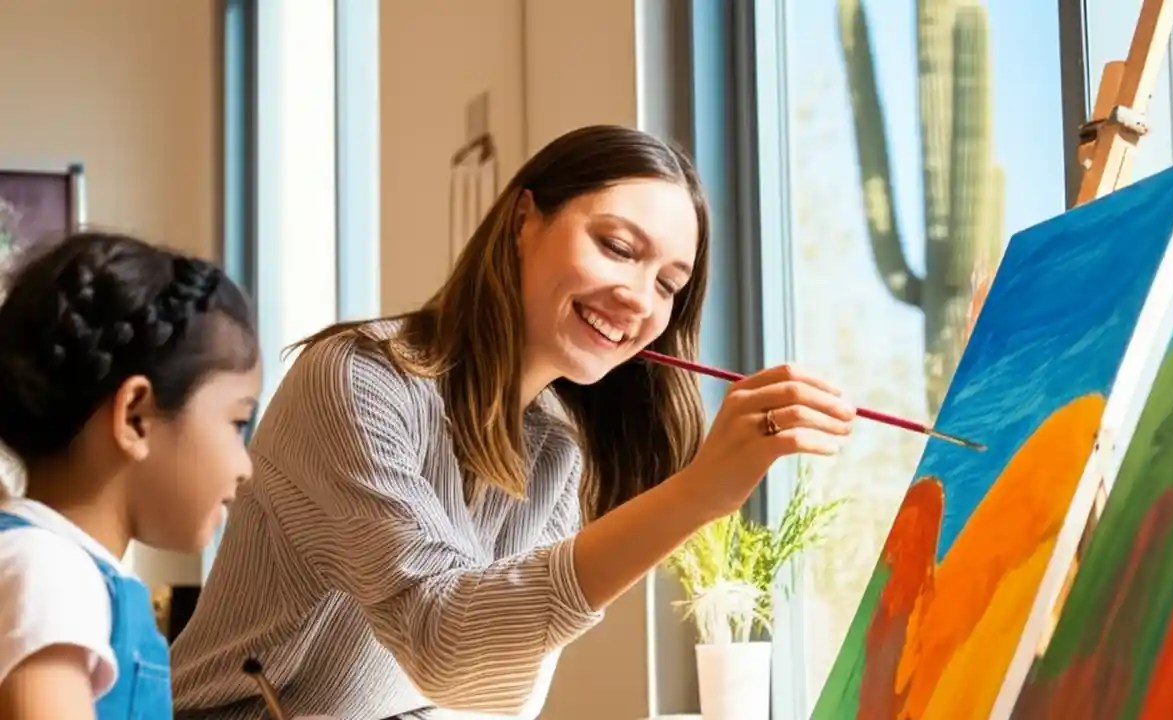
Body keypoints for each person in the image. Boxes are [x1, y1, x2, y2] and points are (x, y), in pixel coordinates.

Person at [171, 125, 854, 719]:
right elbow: (443, 643)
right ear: (524, 219)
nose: (639, 298)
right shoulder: (355, 378)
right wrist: (698, 493)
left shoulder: (557, 452)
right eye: (618, 246)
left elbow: (491, 695)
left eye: (668, 284)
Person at [0, 231, 262, 719]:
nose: (245, 467)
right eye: (237, 423)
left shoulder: (63, 570)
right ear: (136, 417)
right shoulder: (48, 572)